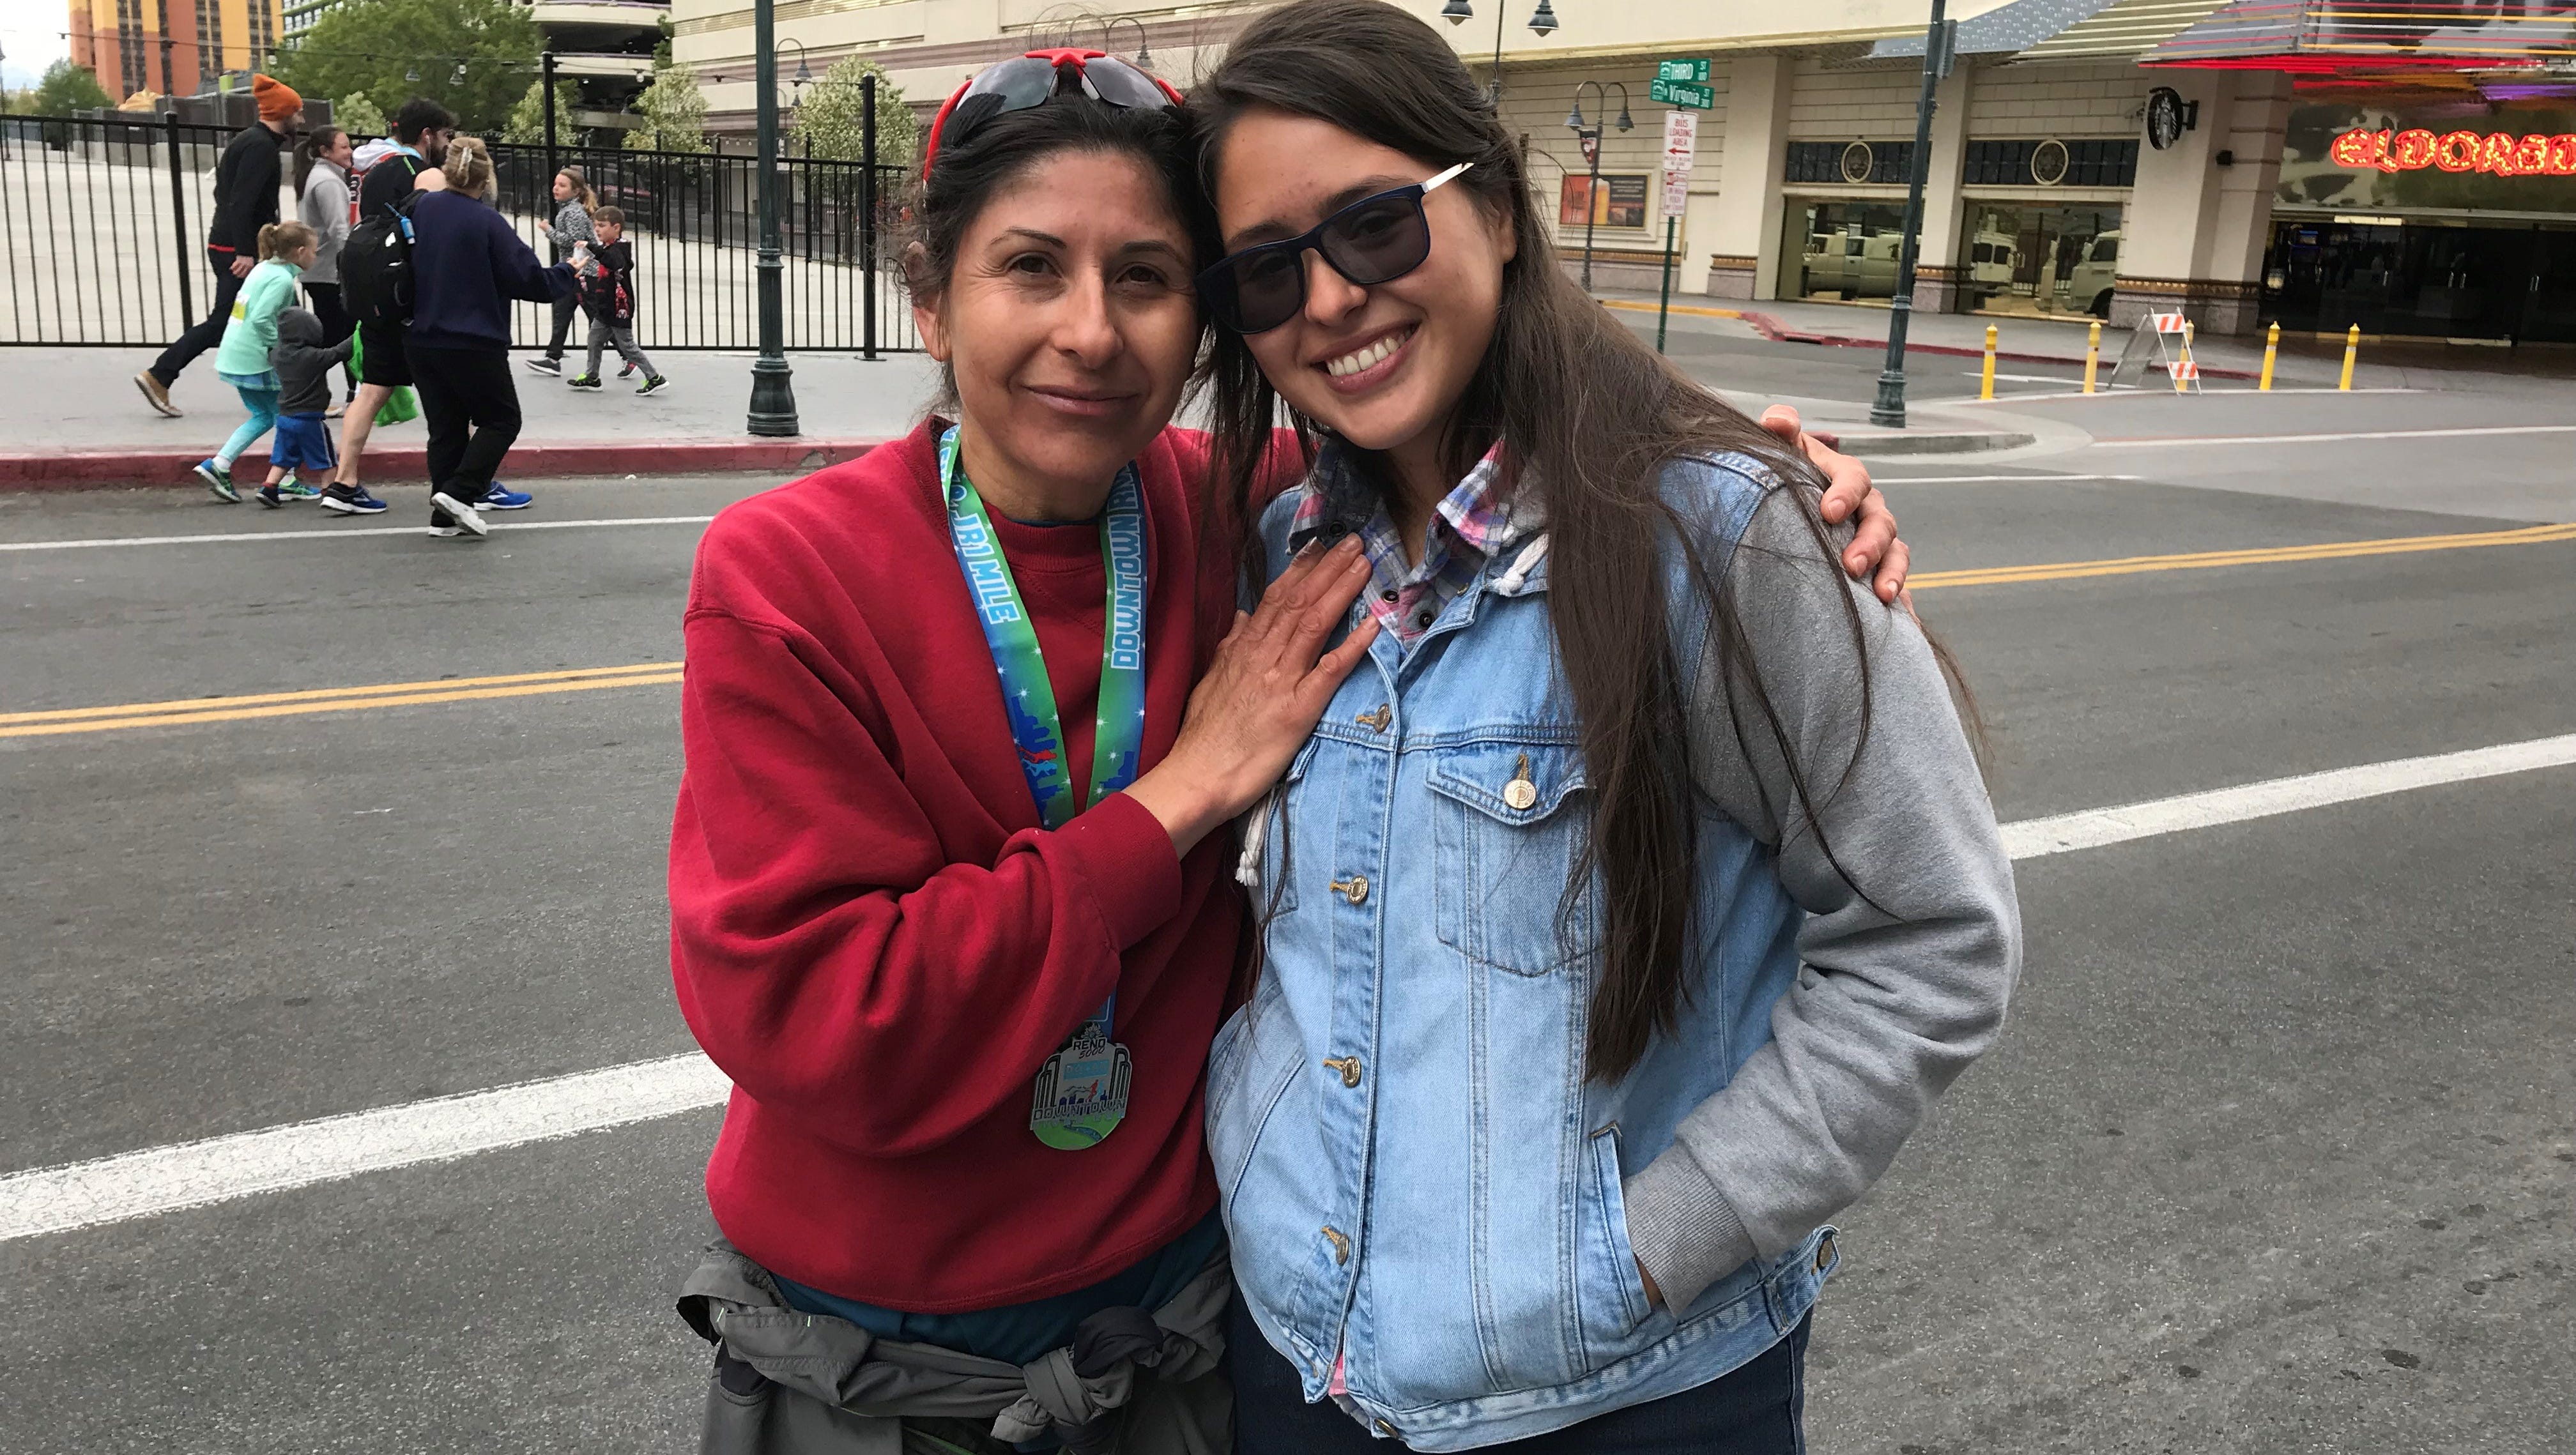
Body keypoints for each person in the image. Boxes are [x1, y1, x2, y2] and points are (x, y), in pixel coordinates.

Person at [663, 47, 1912, 1455]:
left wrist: (1768, 488)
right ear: (930, 298)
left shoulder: (1257, 519)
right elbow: (819, 1014)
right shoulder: (788, 572)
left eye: (1145, 278)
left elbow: (1490, 418)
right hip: (881, 1357)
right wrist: (1180, 796)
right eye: (1030, 268)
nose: (1091, 331)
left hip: (1192, 1329)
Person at [1189, 6, 2021, 1452]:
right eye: (1266, 270)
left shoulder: (1724, 535)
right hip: (1300, 1361)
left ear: (1499, 210)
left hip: (1623, 1392)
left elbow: (1933, 939)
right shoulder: (1282, 555)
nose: (1326, 298)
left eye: (1376, 226)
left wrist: (1642, 1252)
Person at [401, 136, 566, 538]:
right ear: (486, 178)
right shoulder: (486, 221)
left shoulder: (421, 208)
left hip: (421, 337)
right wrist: (568, 272)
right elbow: (529, 279)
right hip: (473, 339)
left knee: (446, 428)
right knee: (502, 419)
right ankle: (461, 493)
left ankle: (444, 518)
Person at [320, 97, 457, 518]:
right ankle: (470, 482)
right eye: (446, 135)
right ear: (428, 135)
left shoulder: (376, 170)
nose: (448, 144)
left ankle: (344, 481)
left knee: (372, 390)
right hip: (412, 298)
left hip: (377, 294)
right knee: (457, 388)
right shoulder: (424, 174)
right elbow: (438, 235)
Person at [136, 75, 302, 418]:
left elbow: (225, 195)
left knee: (286, 317)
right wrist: (246, 251)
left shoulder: (250, 141)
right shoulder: (260, 147)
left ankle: (299, 393)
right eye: (297, 112)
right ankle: (160, 375)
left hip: (235, 245)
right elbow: (241, 203)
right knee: (268, 320)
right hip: (240, 251)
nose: (301, 119)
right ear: (283, 113)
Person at [194, 220, 318, 503]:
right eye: (314, 251)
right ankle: (284, 480)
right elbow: (262, 318)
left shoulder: (263, 269)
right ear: (300, 252)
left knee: (265, 416)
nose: (316, 256)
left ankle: (221, 464)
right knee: (289, 417)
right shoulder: (281, 280)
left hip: (236, 355)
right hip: (258, 361)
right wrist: (280, 348)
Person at [564, 207, 668, 395]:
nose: (597, 229)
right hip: (605, 307)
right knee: (594, 340)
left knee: (627, 346)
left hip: (619, 307)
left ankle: (654, 378)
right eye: (596, 225)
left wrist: (592, 247)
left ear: (616, 227)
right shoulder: (608, 247)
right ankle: (592, 377)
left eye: (602, 225)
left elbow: (614, 262)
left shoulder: (620, 247)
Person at [258, 306, 353, 507]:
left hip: (285, 418)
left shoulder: (277, 355)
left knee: (283, 458)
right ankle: (330, 492)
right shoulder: (312, 357)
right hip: (309, 419)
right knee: (326, 459)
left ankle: (269, 487)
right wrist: (361, 334)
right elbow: (339, 353)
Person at [293, 125, 356, 415]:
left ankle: (327, 393)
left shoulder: (320, 176)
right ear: (325, 151)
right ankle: (321, 393)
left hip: (321, 271)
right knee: (340, 337)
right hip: (329, 272)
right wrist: (353, 266)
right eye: (344, 147)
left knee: (336, 334)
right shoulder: (328, 182)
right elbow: (339, 230)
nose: (350, 151)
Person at [526, 165, 598, 376]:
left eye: (562, 185)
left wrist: (548, 230)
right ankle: (553, 358)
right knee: (562, 313)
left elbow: (574, 241)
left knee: (597, 319)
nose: (556, 189)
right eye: (556, 184)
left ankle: (628, 356)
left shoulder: (574, 212)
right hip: (573, 271)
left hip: (584, 272)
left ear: (576, 191)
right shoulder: (568, 210)